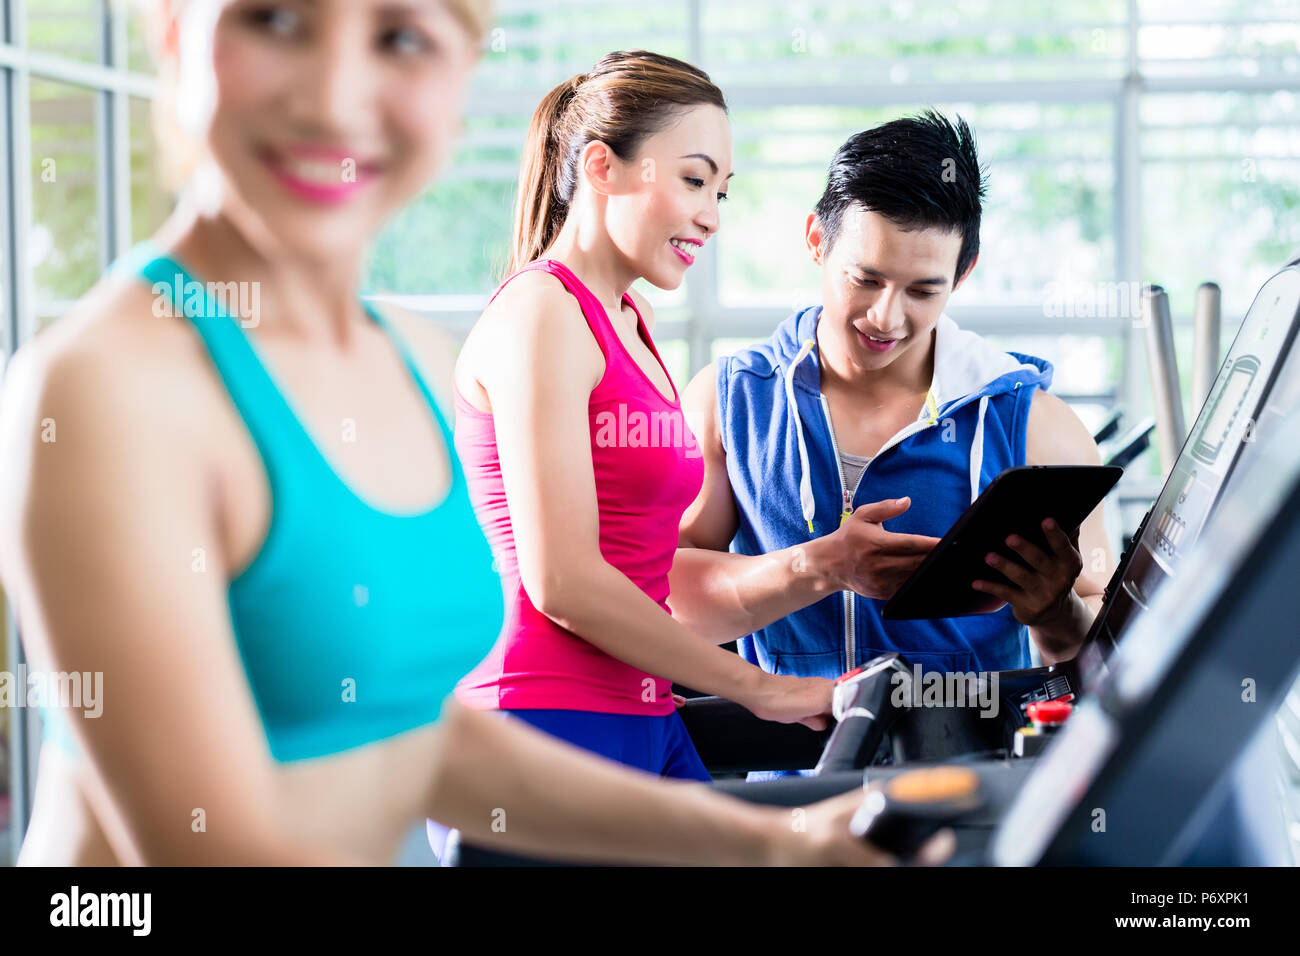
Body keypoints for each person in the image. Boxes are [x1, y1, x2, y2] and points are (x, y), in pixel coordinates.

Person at [0, 0, 941, 866]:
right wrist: (764, 694)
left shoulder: (404, 355)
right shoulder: (100, 388)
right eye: (275, 19)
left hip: (631, 730)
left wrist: (776, 845)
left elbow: (426, 741)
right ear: (173, 31)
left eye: (402, 39)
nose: (335, 98)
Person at [438, 52, 840, 859]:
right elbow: (564, 581)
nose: (713, 216)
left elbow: (644, 570)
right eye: (694, 181)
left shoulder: (628, 323)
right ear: (600, 167)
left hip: (641, 720)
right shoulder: (542, 315)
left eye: (722, 191)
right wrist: (761, 688)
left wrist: (823, 565)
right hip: (541, 729)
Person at [672, 112, 1113, 773]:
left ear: (963, 274)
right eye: (867, 278)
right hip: (791, 799)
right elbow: (666, 605)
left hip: (969, 801)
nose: (887, 316)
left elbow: (1107, 671)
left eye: (922, 290)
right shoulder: (727, 402)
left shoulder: (1037, 427)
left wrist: (1053, 613)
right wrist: (820, 566)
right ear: (816, 240)